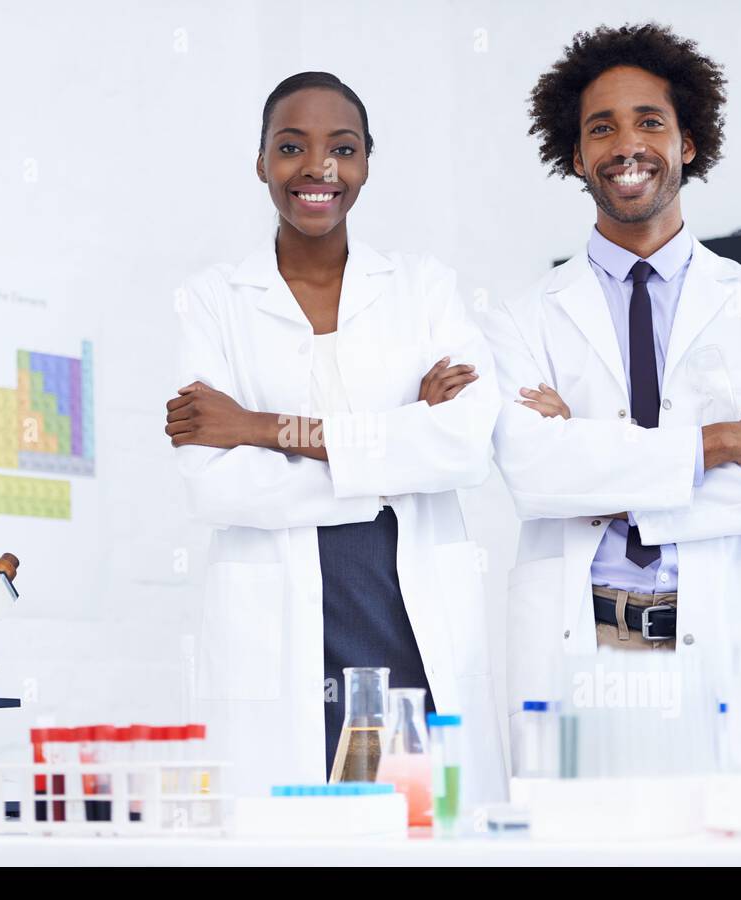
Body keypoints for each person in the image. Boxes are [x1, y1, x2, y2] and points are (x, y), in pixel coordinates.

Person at [166, 72, 505, 801]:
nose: (318, 169)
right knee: (296, 831)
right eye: (292, 147)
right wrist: (395, 448)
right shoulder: (214, 300)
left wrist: (259, 428)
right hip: (280, 633)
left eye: (341, 148)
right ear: (261, 162)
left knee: (422, 823)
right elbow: (216, 484)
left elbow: (465, 445)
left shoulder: (422, 288)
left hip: (405, 610)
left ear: (366, 164)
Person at [484, 24, 741, 710]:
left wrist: (593, 465)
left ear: (688, 141)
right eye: (601, 129)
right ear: (577, 156)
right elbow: (533, 475)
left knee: (734, 818)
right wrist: (724, 442)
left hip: (733, 642)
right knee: (578, 819)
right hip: (585, 640)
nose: (626, 146)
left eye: (649, 122)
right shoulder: (518, 318)